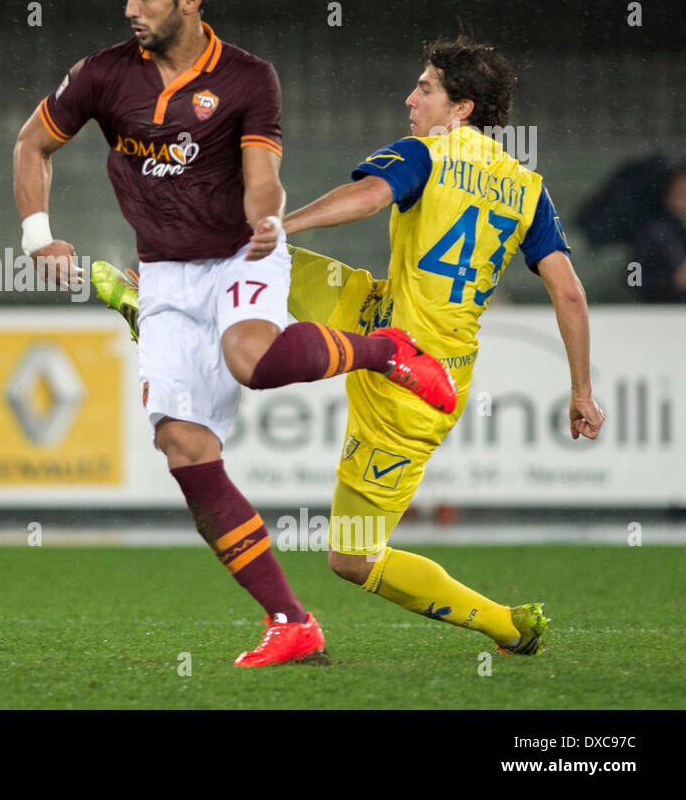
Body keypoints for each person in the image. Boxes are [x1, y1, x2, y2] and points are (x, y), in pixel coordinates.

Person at [13, 0, 455, 667]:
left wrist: (265, 216)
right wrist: (37, 239)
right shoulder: (99, 75)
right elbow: (33, 145)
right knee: (184, 448)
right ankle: (292, 621)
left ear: (189, 0)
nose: (130, 8)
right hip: (162, 277)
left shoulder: (248, 77)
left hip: (239, 255)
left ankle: (386, 351)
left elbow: (262, 173)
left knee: (249, 357)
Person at [254, 37, 603, 655]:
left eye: (426, 88)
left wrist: (288, 220)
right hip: (391, 328)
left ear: (460, 108)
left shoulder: (428, 152)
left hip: (410, 388)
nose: (410, 97)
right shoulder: (526, 188)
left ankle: (506, 624)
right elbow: (570, 294)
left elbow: (369, 196)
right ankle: (156, 303)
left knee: (353, 557)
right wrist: (581, 390)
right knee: (268, 264)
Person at [630, 166, 686, 303]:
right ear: (668, 196)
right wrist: (672, 281)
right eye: (680, 192)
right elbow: (633, 279)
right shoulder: (653, 233)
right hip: (663, 314)